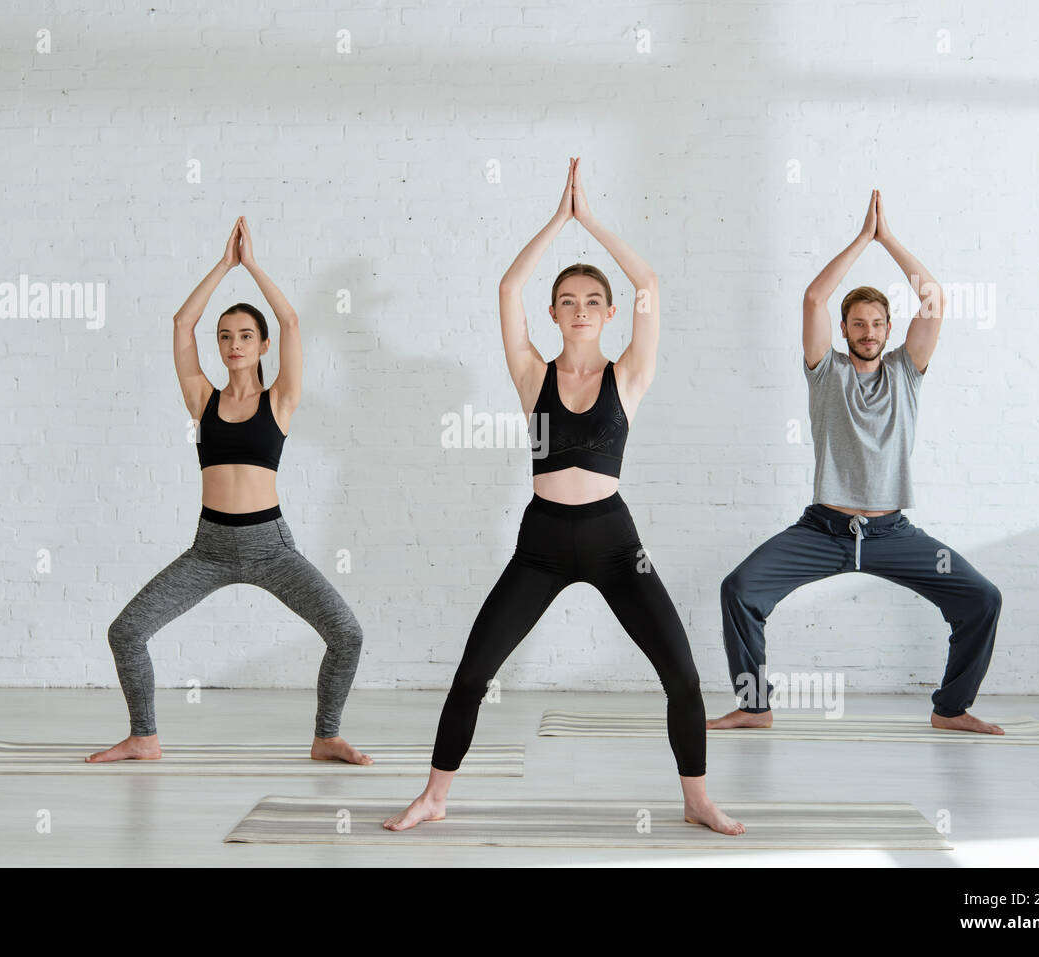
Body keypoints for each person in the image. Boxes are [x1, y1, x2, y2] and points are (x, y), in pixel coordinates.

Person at [385, 159, 745, 834]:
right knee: (473, 673)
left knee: (682, 673)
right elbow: (508, 286)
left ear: (609, 313)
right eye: (568, 301)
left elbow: (648, 282)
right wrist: (558, 220)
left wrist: (591, 220)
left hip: (615, 542)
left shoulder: (628, 375)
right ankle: (434, 795)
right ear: (553, 313)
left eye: (592, 301)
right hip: (542, 544)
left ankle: (697, 799)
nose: (580, 310)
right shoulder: (532, 375)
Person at [709, 190, 1004, 735]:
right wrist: (861, 239)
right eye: (859, 324)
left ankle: (950, 709)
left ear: (889, 330)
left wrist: (887, 239)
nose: (869, 332)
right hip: (822, 531)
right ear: (844, 330)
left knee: (982, 599)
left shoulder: (906, 372)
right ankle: (755, 707)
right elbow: (813, 298)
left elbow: (934, 299)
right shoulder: (826, 372)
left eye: (877, 324)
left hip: (893, 534)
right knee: (740, 590)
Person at [88, 216, 371, 764]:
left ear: (262, 344)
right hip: (210, 549)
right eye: (224, 336)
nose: (234, 344)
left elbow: (291, 320)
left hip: (271, 548)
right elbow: (181, 323)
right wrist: (224, 265)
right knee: (127, 632)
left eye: (245, 336)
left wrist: (253, 266)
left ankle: (326, 736)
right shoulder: (203, 399)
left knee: (346, 633)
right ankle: (143, 737)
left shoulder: (280, 400)